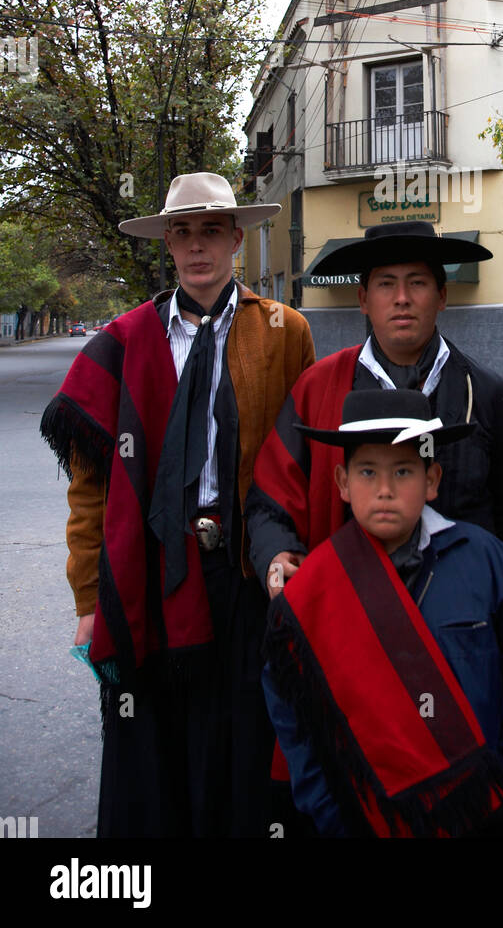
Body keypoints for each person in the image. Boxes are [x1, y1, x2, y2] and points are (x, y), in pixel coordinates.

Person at [40, 172, 315, 837]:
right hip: (149, 569)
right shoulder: (124, 341)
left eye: (212, 232)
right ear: (167, 243)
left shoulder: (284, 332)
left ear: (236, 239)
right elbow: (89, 489)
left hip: (245, 569)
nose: (198, 249)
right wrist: (86, 600)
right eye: (183, 233)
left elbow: (300, 462)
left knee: (244, 731)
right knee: (151, 736)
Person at [261, 388, 503, 838]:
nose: (384, 490)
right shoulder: (313, 591)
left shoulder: (490, 563)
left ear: (432, 479)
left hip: (481, 813)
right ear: (343, 483)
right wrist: (332, 808)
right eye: (367, 472)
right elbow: (294, 712)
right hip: (362, 821)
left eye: (403, 471)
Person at [246, 220, 503, 598]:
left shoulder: (483, 392)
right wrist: (277, 552)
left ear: (441, 296)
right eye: (386, 284)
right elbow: (272, 494)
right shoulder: (317, 390)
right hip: (350, 603)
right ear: (364, 300)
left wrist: (470, 562)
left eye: (417, 282)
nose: (402, 298)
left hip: (462, 602)